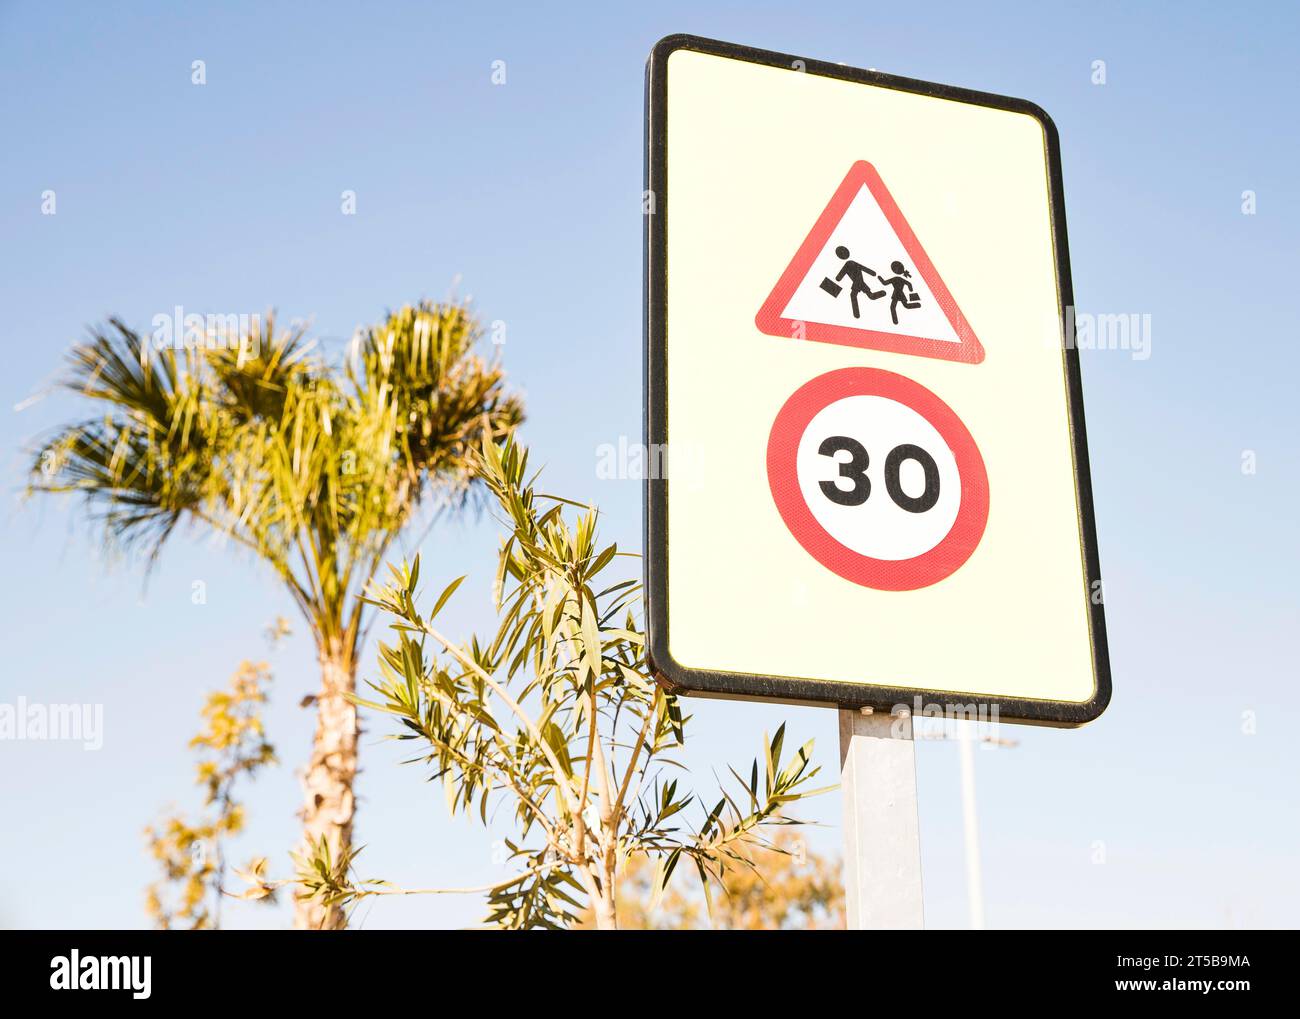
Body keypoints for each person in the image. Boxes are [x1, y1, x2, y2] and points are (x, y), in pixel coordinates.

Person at [831, 245, 885, 319]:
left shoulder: (848, 264)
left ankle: (856, 314)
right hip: (861, 282)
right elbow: (865, 269)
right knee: (869, 296)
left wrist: (838, 278)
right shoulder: (854, 263)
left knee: (853, 295)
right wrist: (873, 273)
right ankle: (882, 293)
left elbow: (839, 276)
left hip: (857, 283)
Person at [878, 260, 922, 325]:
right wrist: (911, 290)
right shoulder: (901, 279)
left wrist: (879, 278)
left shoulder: (895, 278)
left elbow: (884, 283)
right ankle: (918, 304)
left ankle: (895, 321)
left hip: (896, 294)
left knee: (892, 307)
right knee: (905, 306)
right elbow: (909, 283)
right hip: (901, 294)